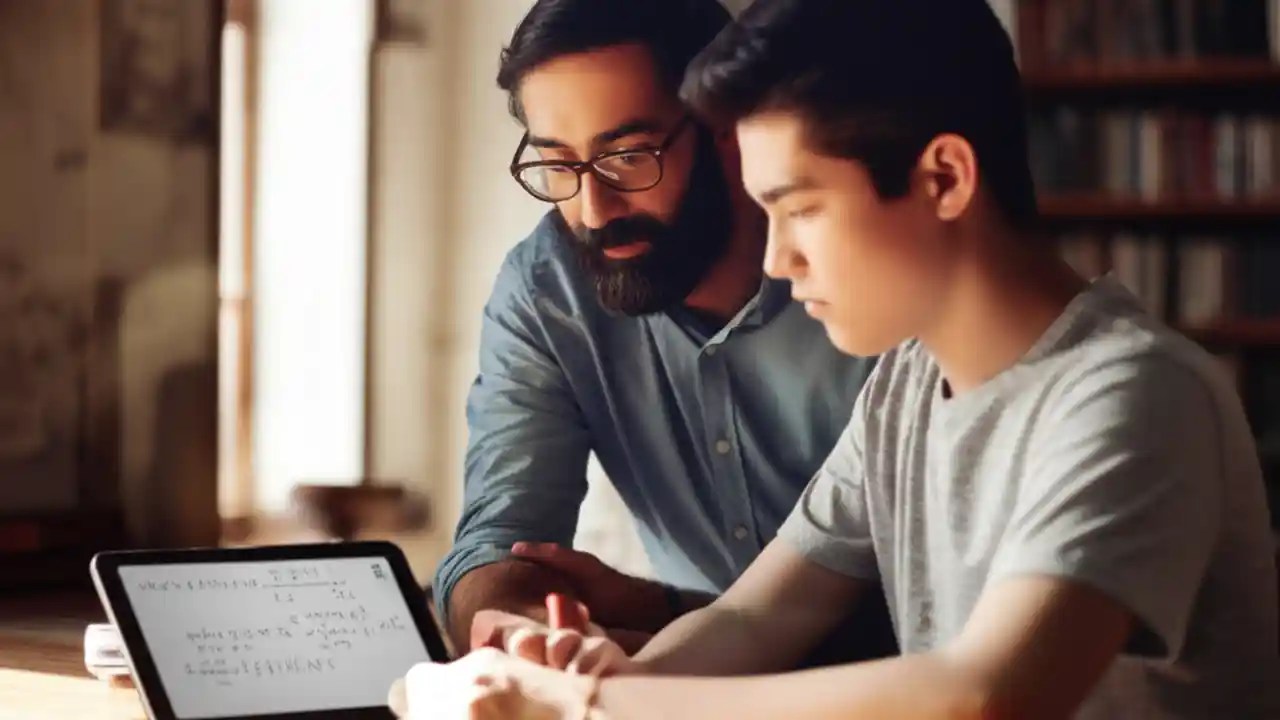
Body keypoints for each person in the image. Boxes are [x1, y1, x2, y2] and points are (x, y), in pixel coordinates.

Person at [401, 0, 1280, 717]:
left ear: (944, 178)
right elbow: (754, 617)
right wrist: (576, 683)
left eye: (800, 208)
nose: (776, 261)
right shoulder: (904, 386)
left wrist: (584, 706)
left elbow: (982, 694)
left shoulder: (1130, 394)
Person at [433, 0, 880, 656]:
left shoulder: (875, 274)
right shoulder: (546, 289)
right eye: (558, 164)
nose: (593, 209)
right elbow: (495, 541)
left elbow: (943, 618)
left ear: (728, 128)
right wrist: (514, 627)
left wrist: (654, 610)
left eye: (627, 155)